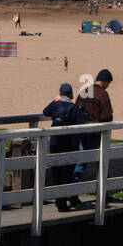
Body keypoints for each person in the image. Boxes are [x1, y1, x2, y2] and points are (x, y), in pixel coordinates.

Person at [42, 83, 87, 211]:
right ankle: (62, 203)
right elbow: (81, 126)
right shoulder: (74, 108)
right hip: (69, 145)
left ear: (60, 93)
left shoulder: (55, 105)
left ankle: (58, 201)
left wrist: (54, 100)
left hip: (55, 144)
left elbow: (45, 112)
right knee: (67, 173)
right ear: (71, 94)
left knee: (56, 173)